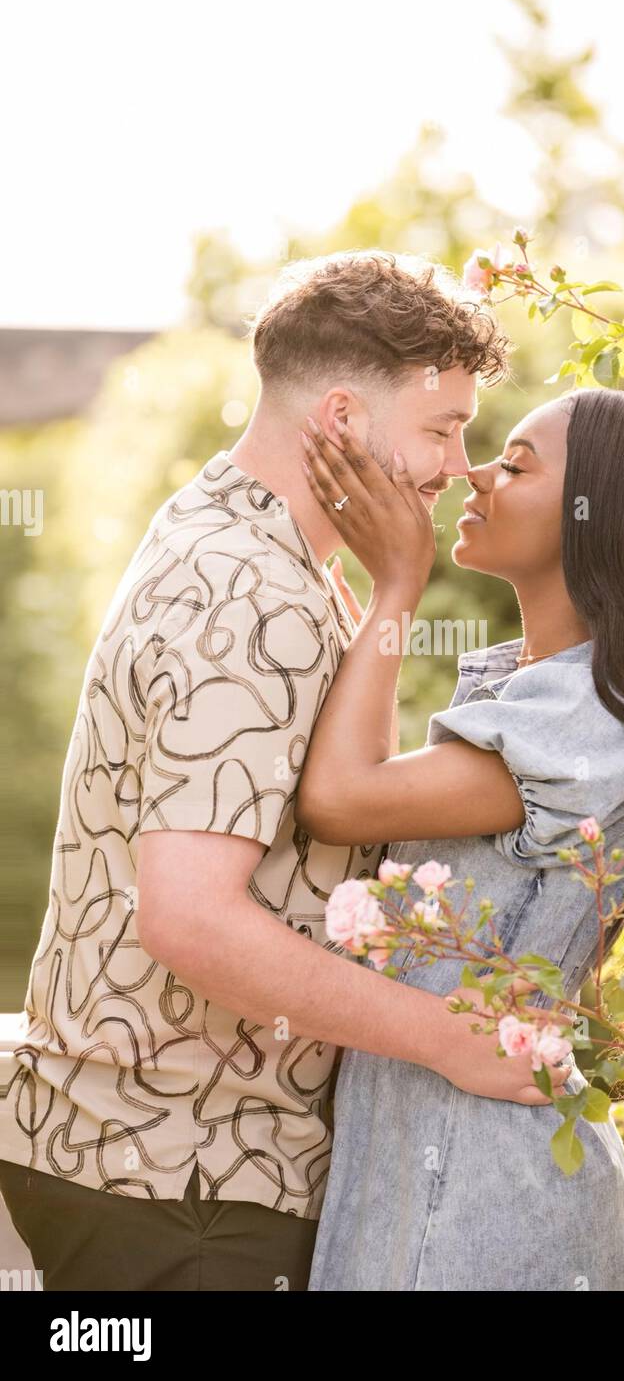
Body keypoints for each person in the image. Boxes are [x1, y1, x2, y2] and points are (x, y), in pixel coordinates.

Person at [0, 250, 571, 1293]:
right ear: (342, 419)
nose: (454, 467)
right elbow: (189, 918)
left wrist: (387, 591)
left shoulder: (236, 540)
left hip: (158, 1168)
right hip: (179, 1180)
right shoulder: (246, 593)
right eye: (440, 430)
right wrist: (448, 1039)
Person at [295, 385, 624, 1291]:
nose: (474, 471)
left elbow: (342, 800)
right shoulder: (538, 691)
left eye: (515, 464)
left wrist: (398, 586)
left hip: (484, 1207)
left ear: (601, 522)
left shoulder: (586, 718)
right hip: (425, 1174)